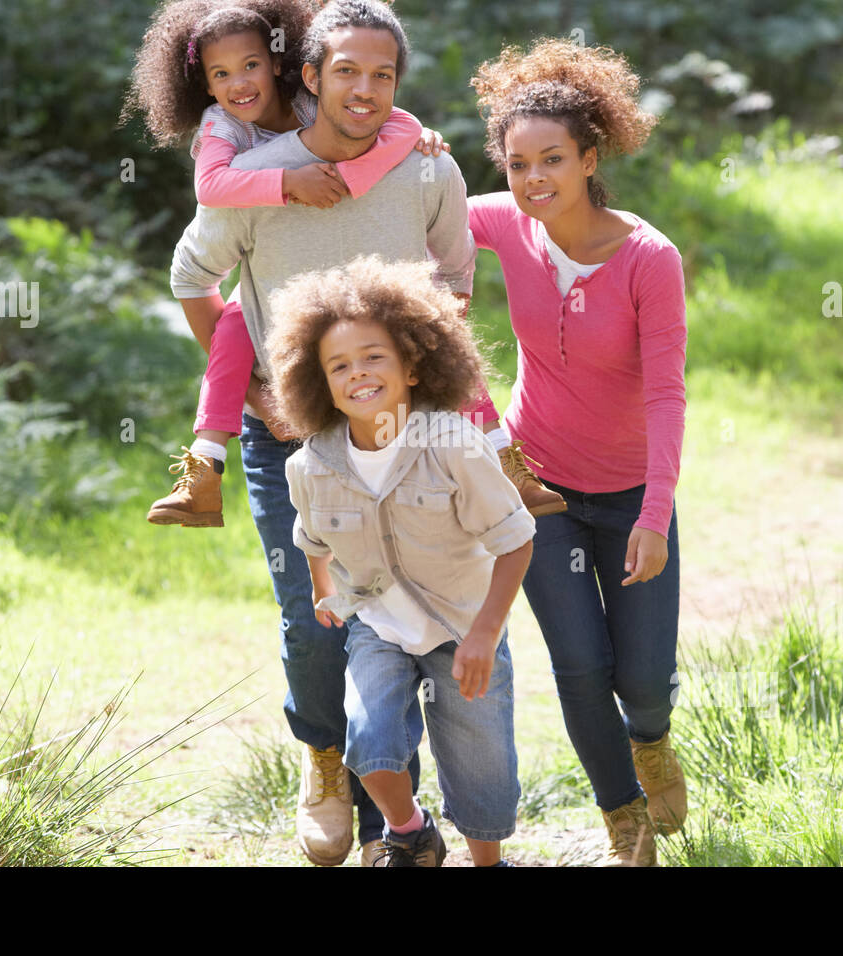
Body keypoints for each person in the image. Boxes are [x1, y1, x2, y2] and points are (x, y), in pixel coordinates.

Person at [167, 0, 557, 866]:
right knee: (321, 620)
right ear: (308, 77)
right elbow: (191, 275)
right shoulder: (261, 175)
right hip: (294, 439)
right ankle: (328, 763)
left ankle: (404, 828)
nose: (366, 90)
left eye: (384, 75)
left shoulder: (425, 169)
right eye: (346, 70)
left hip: (418, 438)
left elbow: (455, 275)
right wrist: (266, 387)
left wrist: (431, 378)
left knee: (414, 611)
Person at [467, 37, 690, 866]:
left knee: (641, 677)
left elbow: (667, 393)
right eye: (517, 164)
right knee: (577, 663)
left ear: (590, 157)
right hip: (541, 491)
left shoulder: (648, 258)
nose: (533, 181)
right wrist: (406, 145)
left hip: (634, 493)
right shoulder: (502, 224)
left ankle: (653, 739)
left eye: (552, 160)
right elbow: (411, 207)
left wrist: (657, 515)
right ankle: (622, 816)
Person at [122, 0, 444, 528]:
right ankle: (205, 465)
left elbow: (394, 121)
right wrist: (290, 183)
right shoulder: (220, 127)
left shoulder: (309, 101)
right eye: (219, 73)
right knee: (234, 324)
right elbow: (211, 186)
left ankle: (499, 452)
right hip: (256, 278)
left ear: (278, 62)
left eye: (250, 64)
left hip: (352, 338)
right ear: (204, 84)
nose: (238, 83)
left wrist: (389, 157)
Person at [269, 255, 534, 866]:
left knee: (481, 765)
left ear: (413, 366)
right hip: (378, 627)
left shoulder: (455, 446)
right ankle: (411, 832)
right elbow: (313, 535)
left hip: (465, 627)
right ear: (318, 382)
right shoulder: (310, 465)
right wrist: (318, 586)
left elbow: (516, 539)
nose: (357, 374)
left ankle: (485, 860)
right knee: (370, 744)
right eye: (339, 366)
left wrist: (486, 635)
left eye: (373, 357)